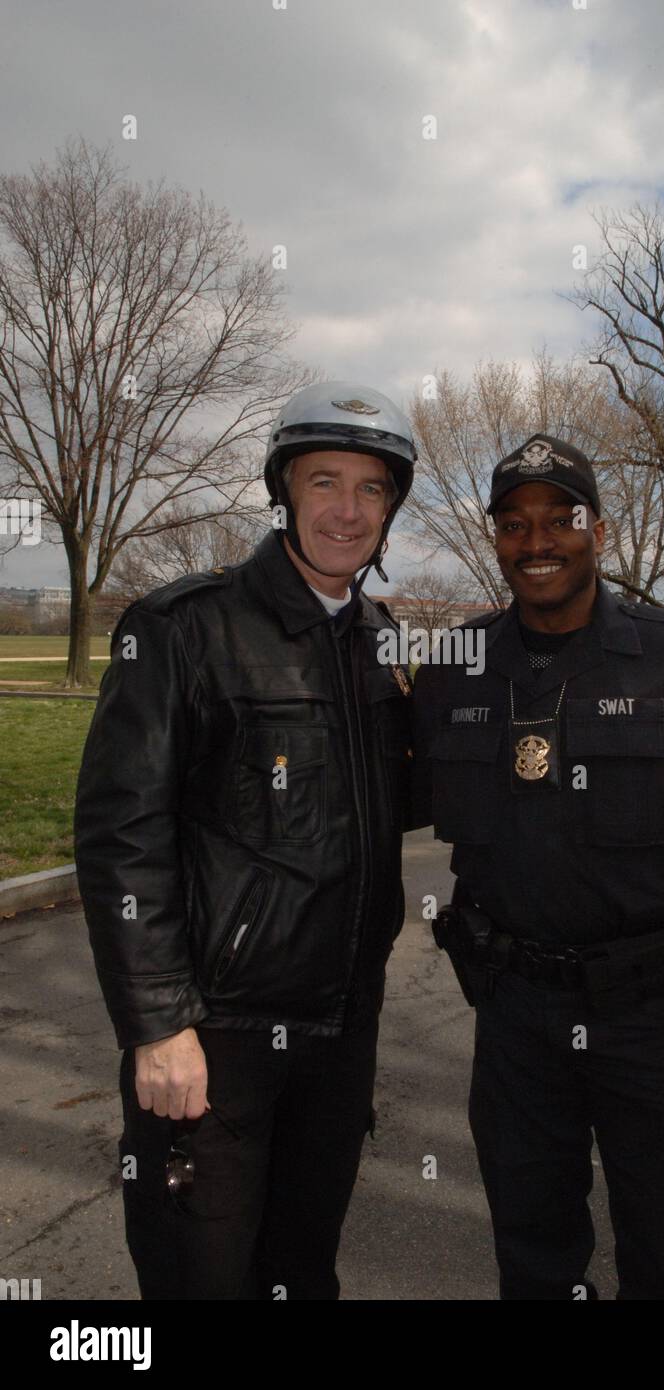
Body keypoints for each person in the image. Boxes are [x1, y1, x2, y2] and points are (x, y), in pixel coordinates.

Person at [411, 433, 664, 1301]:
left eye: (559, 519)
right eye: (514, 524)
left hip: (656, 1018)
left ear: (596, 528)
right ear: (494, 537)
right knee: (531, 1256)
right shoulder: (456, 673)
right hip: (516, 1018)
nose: (537, 542)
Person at [75, 382, 417, 1300]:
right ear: (284, 491)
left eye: (371, 489)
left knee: (301, 1274)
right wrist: (157, 1027)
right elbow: (120, 838)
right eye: (324, 481)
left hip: (337, 1037)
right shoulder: (186, 628)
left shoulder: (382, 646)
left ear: (392, 506)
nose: (348, 510)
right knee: (201, 1279)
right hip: (213, 1038)